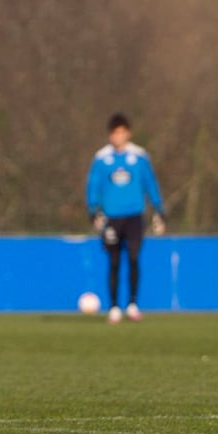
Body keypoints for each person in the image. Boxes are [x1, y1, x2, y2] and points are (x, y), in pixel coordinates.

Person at [86, 113, 166, 324]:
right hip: (112, 218)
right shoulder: (102, 159)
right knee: (113, 262)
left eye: (122, 133)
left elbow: (150, 182)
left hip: (134, 216)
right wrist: (93, 210)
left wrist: (159, 208)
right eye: (115, 133)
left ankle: (132, 304)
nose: (118, 137)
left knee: (133, 258)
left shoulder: (139, 157)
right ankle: (113, 307)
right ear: (110, 135)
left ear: (128, 133)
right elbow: (93, 185)